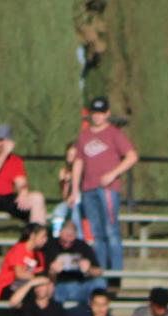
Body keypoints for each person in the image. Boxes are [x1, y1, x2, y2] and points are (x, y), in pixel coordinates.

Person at [68, 98, 137, 277]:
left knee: (111, 231)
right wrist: (74, 190)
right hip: (88, 188)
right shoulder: (84, 136)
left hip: (108, 189)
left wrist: (113, 174)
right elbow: (78, 162)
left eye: (101, 113)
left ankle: (115, 275)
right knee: (96, 234)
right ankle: (100, 273)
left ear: (107, 114)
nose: (97, 116)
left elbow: (131, 156)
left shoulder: (114, 134)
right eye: (95, 113)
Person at [42, 212, 103, 308]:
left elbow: (99, 271)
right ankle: (57, 314)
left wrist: (89, 269)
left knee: (100, 283)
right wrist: (52, 271)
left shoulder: (82, 246)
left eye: (71, 238)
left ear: (76, 234)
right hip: (60, 284)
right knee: (52, 288)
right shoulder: (51, 246)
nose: (67, 243)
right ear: (60, 232)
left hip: (81, 284)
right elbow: (43, 273)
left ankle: (96, 312)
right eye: (65, 239)